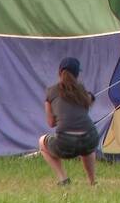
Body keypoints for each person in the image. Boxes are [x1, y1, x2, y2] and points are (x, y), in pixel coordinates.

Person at [38, 57, 100, 186]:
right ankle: (93, 181)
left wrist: (61, 115)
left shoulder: (51, 92)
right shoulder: (82, 91)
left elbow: (51, 123)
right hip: (90, 138)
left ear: (60, 72)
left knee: (42, 142)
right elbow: (89, 102)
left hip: (65, 144)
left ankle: (63, 179)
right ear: (77, 74)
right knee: (86, 146)